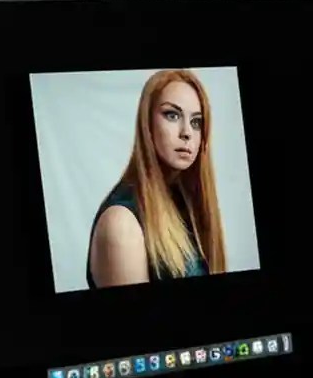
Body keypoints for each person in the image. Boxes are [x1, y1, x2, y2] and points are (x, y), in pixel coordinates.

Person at [87, 69, 227, 288]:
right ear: (147, 125)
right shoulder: (122, 224)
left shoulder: (186, 203)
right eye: (172, 115)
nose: (187, 132)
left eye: (196, 122)